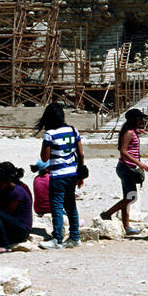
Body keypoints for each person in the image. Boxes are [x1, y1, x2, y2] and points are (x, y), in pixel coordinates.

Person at [38, 104, 84, 249]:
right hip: (72, 173)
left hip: (58, 175)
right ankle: (75, 237)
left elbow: (44, 158)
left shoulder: (50, 134)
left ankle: (57, 239)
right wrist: (81, 173)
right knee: (71, 206)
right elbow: (81, 154)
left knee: (57, 206)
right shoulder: (72, 130)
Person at [101, 109, 148, 236]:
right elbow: (123, 151)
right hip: (127, 168)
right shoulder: (129, 132)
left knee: (127, 197)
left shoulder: (131, 132)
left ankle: (126, 226)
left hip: (127, 168)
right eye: (140, 119)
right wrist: (140, 163)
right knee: (131, 197)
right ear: (134, 119)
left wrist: (137, 133)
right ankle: (107, 214)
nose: (142, 121)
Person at [30, 160, 52, 237]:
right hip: (50, 208)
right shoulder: (51, 178)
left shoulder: (36, 179)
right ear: (47, 169)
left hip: (38, 209)